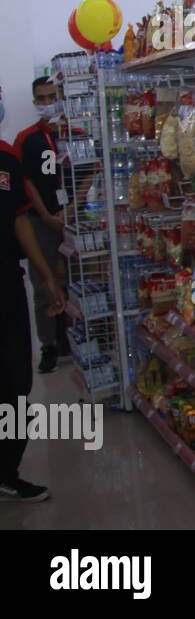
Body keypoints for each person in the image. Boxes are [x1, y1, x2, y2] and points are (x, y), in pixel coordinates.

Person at [0, 85, 65, 503]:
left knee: (15, 380)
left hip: (6, 283)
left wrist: (46, 277)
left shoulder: (6, 156)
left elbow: (19, 221)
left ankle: (7, 470)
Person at [14, 77, 70, 374]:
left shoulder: (77, 132)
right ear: (35, 101)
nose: (48, 103)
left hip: (74, 219)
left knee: (76, 280)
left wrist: (70, 210)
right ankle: (48, 345)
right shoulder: (26, 138)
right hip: (39, 220)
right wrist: (46, 214)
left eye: (52, 97)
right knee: (43, 284)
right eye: (41, 98)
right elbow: (24, 181)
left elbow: (93, 170)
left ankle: (76, 340)